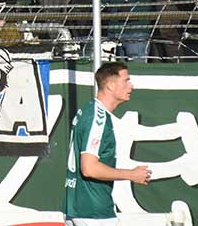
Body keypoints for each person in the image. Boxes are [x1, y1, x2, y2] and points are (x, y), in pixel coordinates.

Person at [63, 62, 151, 225]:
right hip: (93, 213)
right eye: (126, 80)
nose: (131, 86)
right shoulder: (98, 118)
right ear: (110, 85)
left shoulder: (89, 111)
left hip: (79, 209)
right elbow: (89, 168)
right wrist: (131, 175)